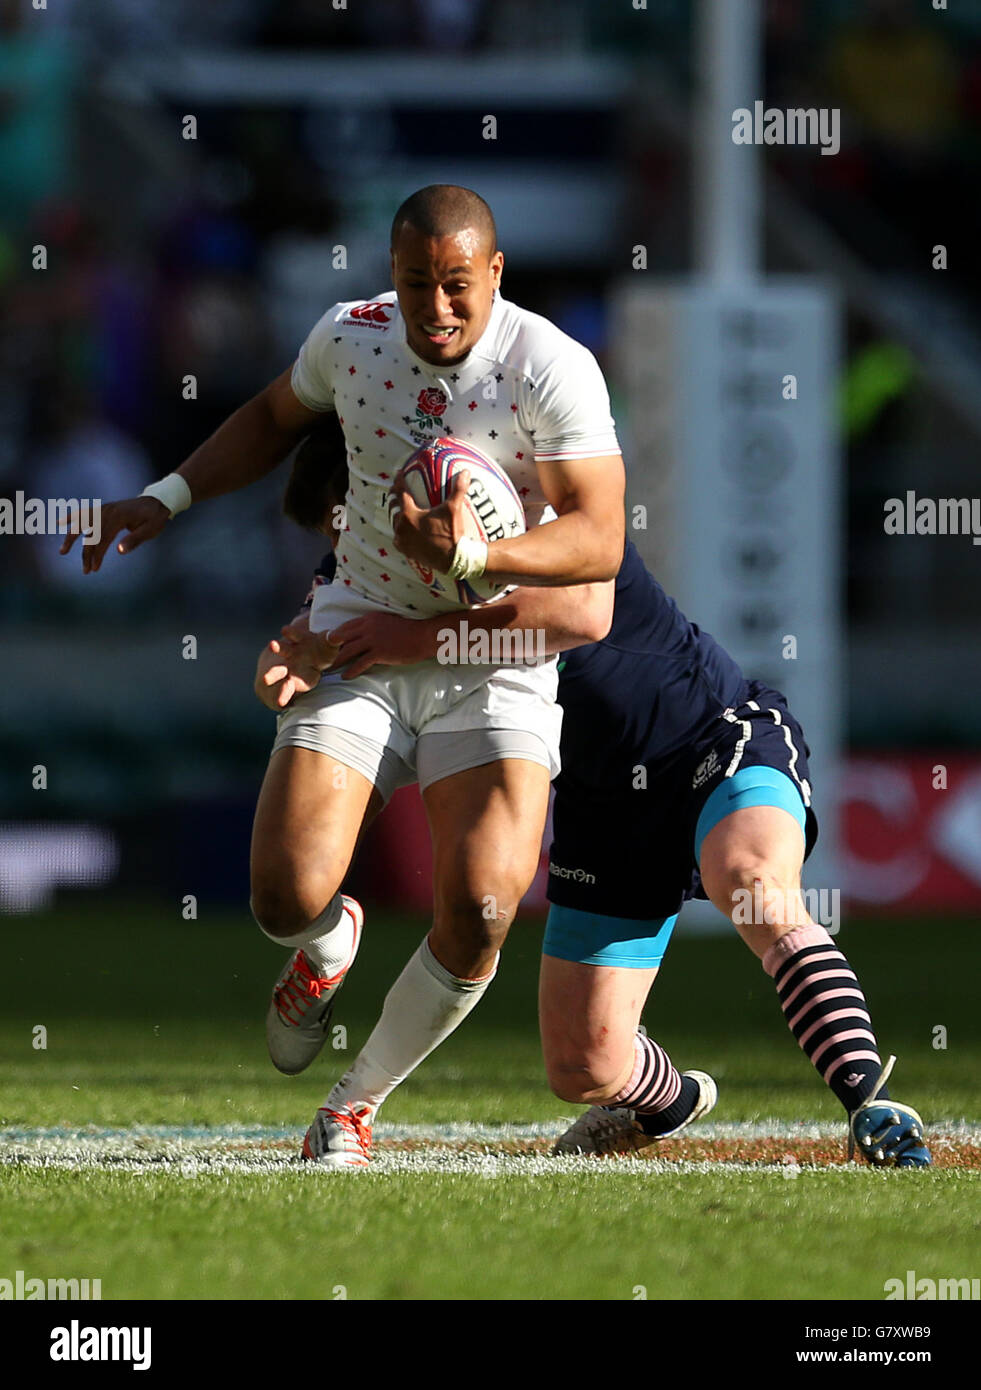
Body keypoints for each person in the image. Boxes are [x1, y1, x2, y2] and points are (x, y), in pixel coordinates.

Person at [63, 184, 626, 1167]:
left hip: (493, 657)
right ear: (390, 278)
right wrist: (164, 499)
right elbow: (274, 414)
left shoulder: (552, 367)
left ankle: (353, 1106)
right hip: (355, 637)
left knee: (487, 905)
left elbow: (599, 546)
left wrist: (475, 561)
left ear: (495, 274)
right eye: (416, 285)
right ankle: (326, 946)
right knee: (282, 894)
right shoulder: (351, 338)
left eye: (458, 286)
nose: (437, 309)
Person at [259, 418, 931, 1170]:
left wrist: (410, 639)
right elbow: (328, 646)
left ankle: (870, 1104)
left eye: (349, 525)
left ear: (405, 488)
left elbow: (573, 619)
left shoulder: (532, 522)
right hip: (600, 804)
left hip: (706, 736)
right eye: (333, 535)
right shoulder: (368, 588)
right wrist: (289, 660)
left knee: (754, 888)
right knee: (583, 1065)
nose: (348, 549)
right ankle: (670, 1101)